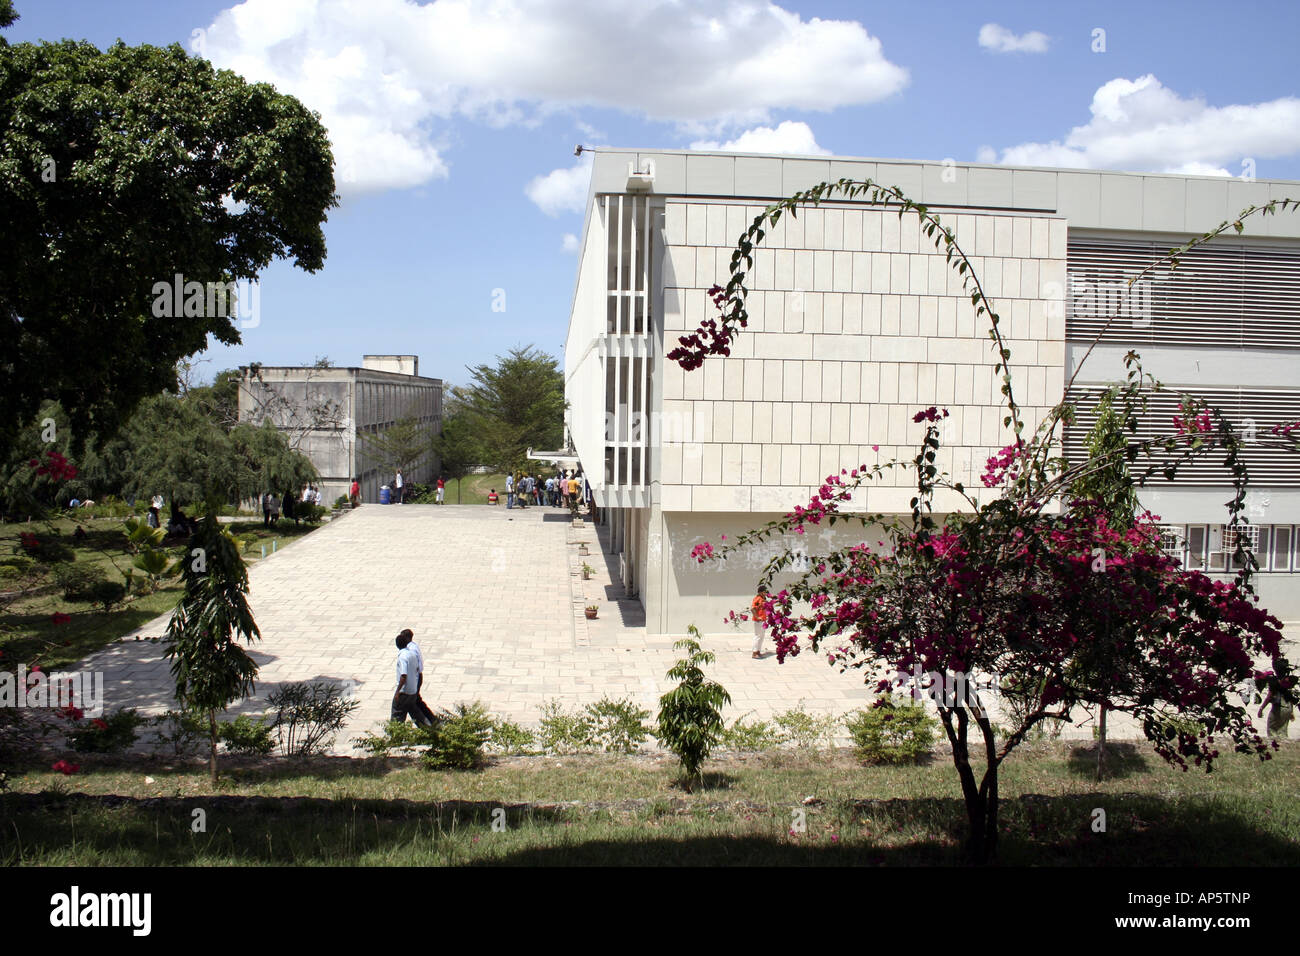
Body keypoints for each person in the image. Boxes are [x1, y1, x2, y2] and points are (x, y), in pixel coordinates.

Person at [391, 631, 432, 727]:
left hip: (404, 692)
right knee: (415, 713)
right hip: (413, 691)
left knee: (397, 714)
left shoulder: (403, 657)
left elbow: (403, 675)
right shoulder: (412, 654)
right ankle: (429, 730)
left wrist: (398, 691)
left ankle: (395, 736)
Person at [403, 629, 438, 724]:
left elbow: (414, 665)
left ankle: (426, 721)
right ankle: (431, 720)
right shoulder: (413, 646)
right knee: (417, 700)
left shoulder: (411, 649)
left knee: (414, 701)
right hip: (417, 676)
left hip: (416, 677)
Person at [751, 586, 769, 659]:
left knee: (761, 636)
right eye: (764, 592)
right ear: (760, 592)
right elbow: (752, 609)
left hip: (763, 620)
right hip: (758, 621)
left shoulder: (763, 599)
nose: (765, 593)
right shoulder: (757, 599)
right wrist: (757, 617)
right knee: (758, 636)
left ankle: (758, 651)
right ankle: (754, 653)